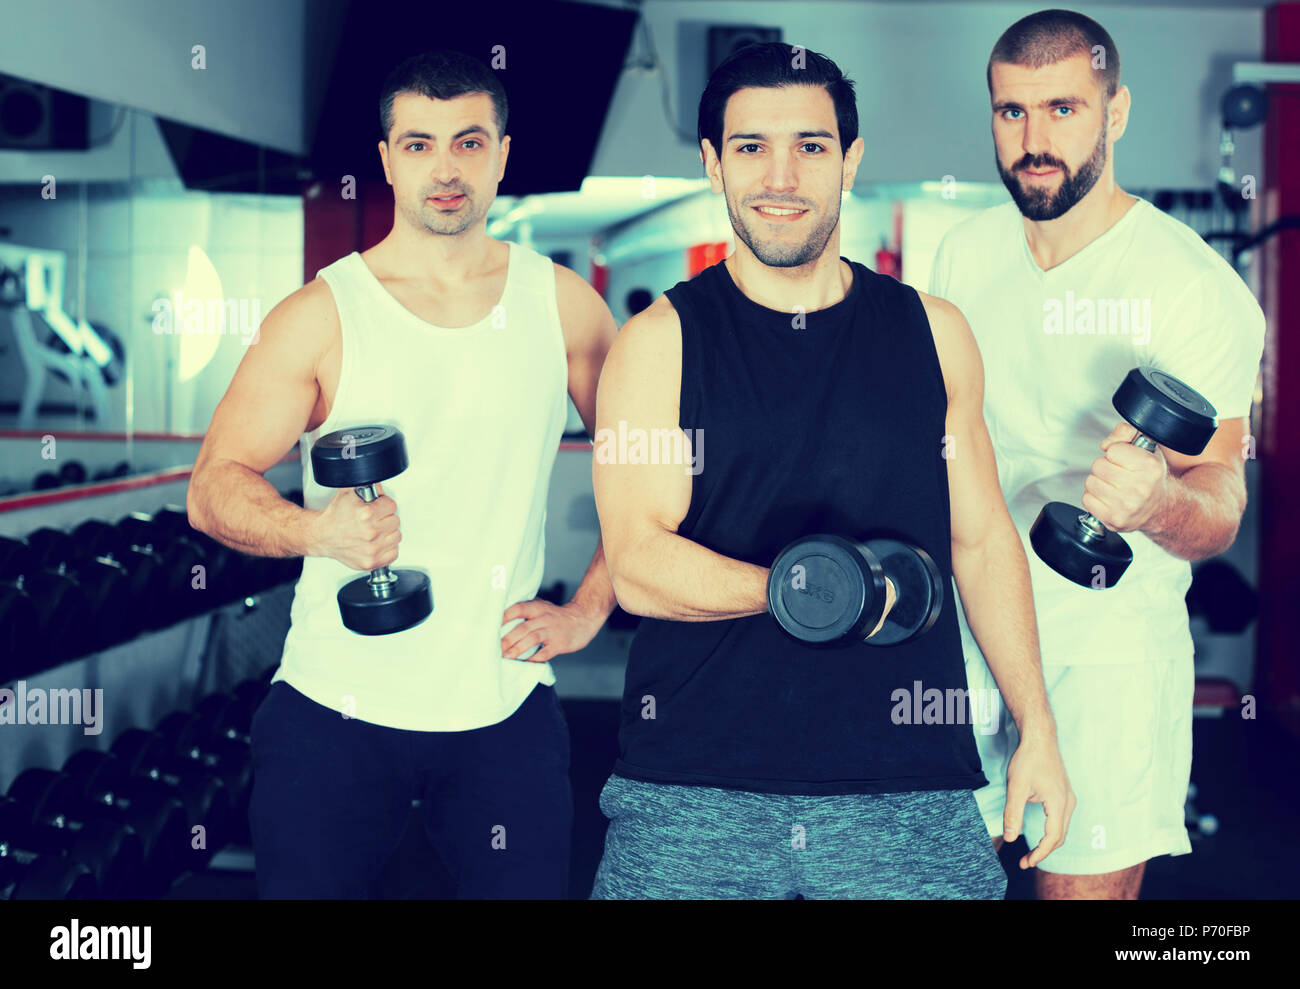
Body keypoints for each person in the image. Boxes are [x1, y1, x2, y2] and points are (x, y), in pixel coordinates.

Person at [589, 41, 1073, 899]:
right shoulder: (658, 344)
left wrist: (1037, 725)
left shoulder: (935, 333)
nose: (781, 175)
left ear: (850, 161)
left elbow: (983, 538)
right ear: (712, 164)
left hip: (906, 783)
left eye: (811, 146)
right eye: (750, 147)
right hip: (697, 785)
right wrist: (819, 592)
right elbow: (637, 564)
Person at [187, 50, 617, 899]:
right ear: (387, 160)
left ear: (501, 154)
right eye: (419, 144)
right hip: (332, 708)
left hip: (502, 703)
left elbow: (648, 476)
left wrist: (586, 611)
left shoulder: (562, 306)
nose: (446, 168)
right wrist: (316, 530)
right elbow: (212, 486)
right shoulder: (320, 314)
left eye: (468, 142)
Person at [929, 9, 1266, 899]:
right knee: (930, 883)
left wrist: (1157, 501)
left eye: (1063, 109)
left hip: (1105, 644)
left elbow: (1222, 501)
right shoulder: (961, 255)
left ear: (1115, 113)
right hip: (965, 629)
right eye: (1011, 113)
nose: (1035, 141)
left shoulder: (1192, 289)